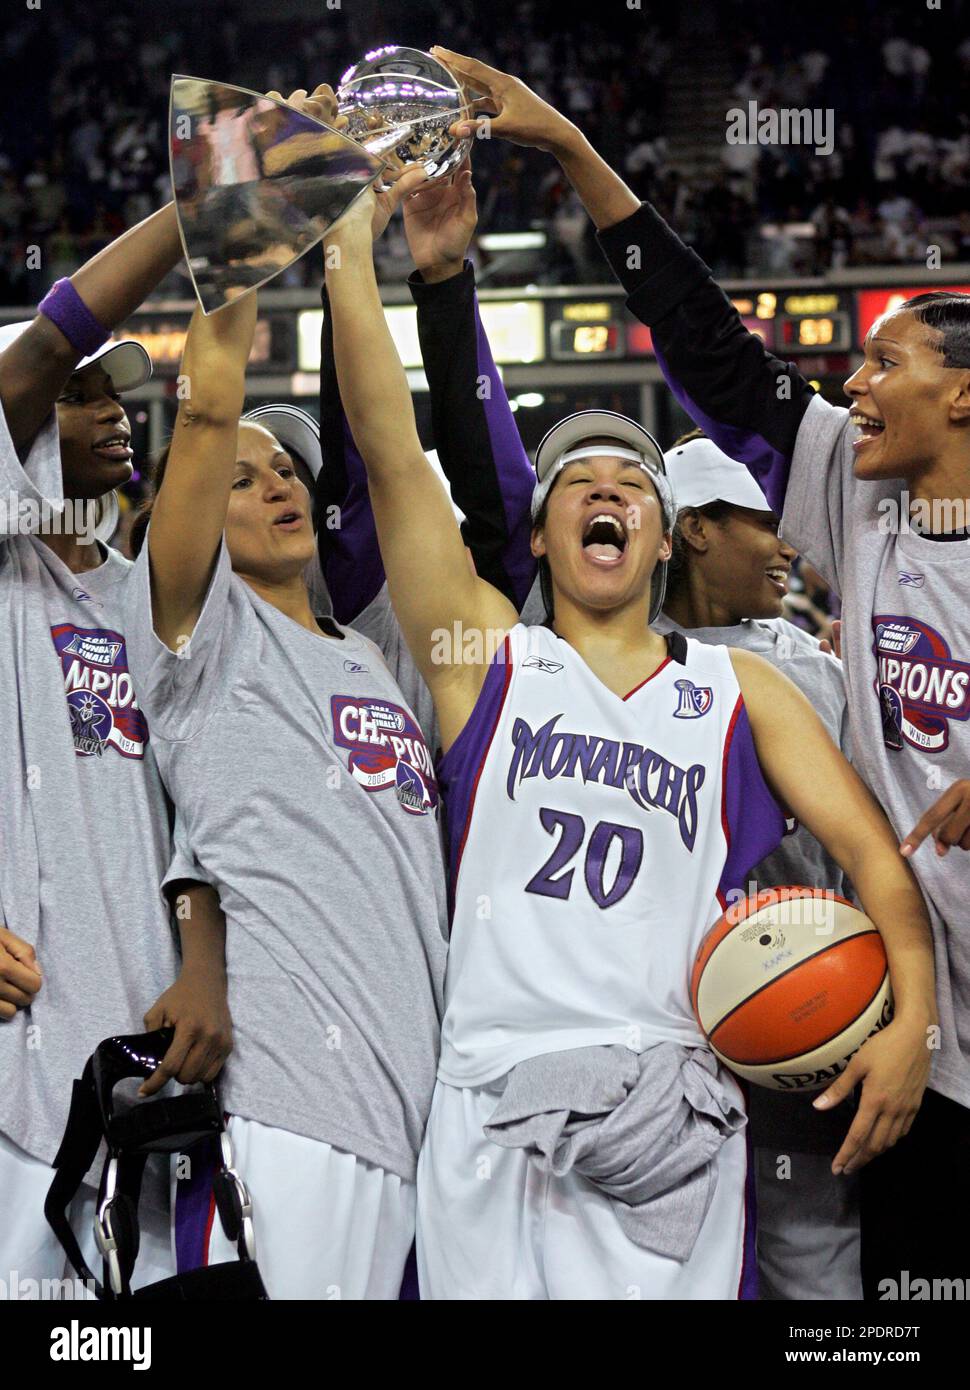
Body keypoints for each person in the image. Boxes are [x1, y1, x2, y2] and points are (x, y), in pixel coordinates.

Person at [322, 175, 936, 1301]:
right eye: (577, 484)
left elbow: (875, 863)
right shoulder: (485, 660)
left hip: (675, 1107)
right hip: (494, 1102)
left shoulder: (741, 686)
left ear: (661, 542)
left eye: (632, 485)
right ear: (546, 538)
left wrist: (913, 1024)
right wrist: (348, 249)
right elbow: (388, 448)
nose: (607, 492)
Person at [123, 160, 454, 1298]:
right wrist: (241, 198)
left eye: (290, 476)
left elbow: (395, 442)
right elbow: (211, 400)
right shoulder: (191, 629)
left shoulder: (372, 653)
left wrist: (366, 253)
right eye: (243, 479)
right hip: (295, 1100)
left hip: (426, 1102)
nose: (279, 489)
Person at [0, 203, 231, 1290]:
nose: (111, 412)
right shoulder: (7, 580)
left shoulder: (148, 606)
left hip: (157, 1059)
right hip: (22, 1060)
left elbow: (206, 811)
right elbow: (35, 350)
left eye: (116, 393)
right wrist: (207, 208)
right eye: (79, 396)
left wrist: (200, 964)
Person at [660, 431, 860, 1300]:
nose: (789, 547)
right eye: (764, 523)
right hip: (664, 1026)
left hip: (801, 1011)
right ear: (696, 528)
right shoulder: (613, 657)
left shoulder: (817, 669)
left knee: (816, 1269)